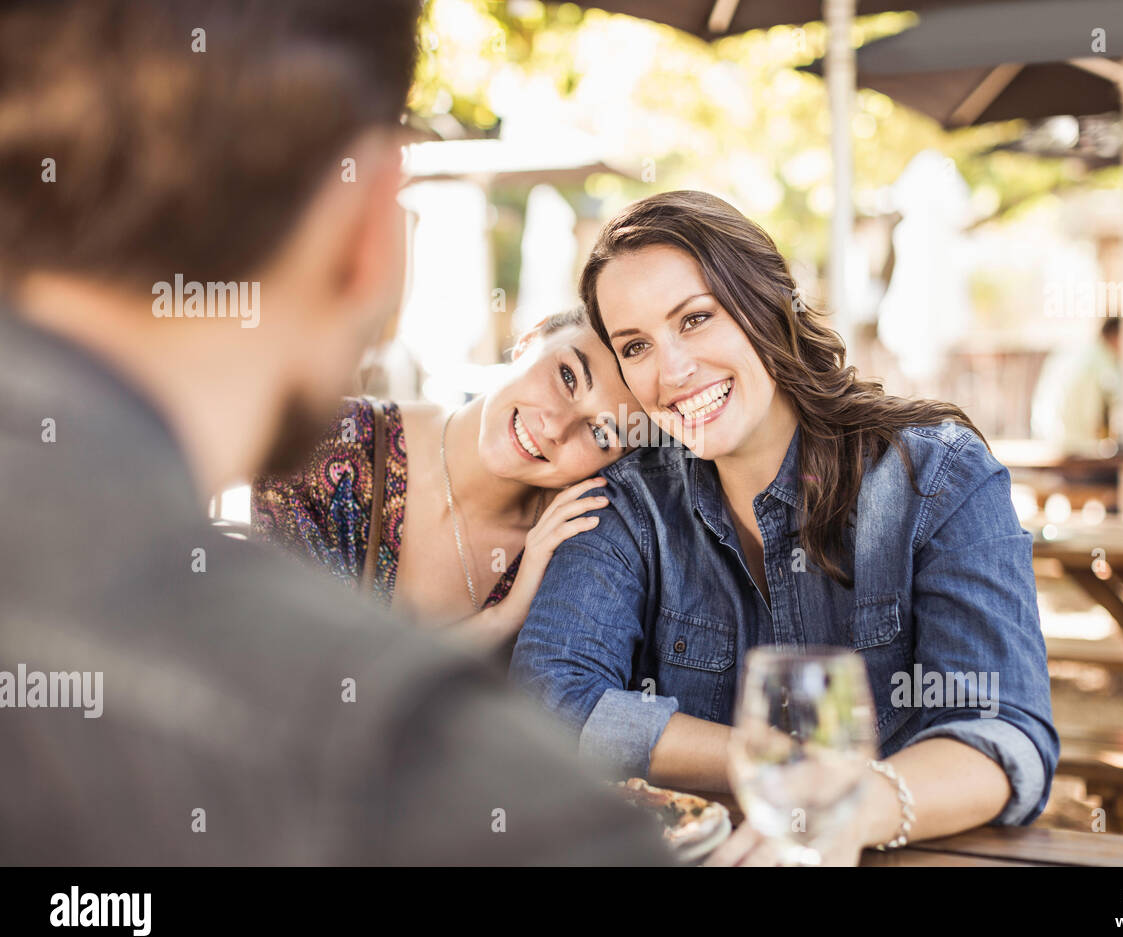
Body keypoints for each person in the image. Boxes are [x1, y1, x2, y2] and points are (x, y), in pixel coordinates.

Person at [0, 0, 671, 865]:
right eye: (570, 376)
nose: (565, 424)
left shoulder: (588, 529)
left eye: (605, 430)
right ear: (372, 224)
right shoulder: (509, 817)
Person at [510, 191, 1059, 853]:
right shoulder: (631, 502)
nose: (672, 372)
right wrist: (776, 766)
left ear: (767, 302)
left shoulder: (936, 477)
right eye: (635, 346)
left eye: (695, 319)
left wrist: (848, 813)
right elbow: (548, 701)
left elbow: (1003, 732)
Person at [253, 305, 639, 649]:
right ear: (530, 339)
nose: (556, 427)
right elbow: (291, 675)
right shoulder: (318, 444)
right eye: (568, 376)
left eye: (602, 433)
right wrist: (501, 619)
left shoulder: (577, 544)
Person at [1030, 317, 1121, 455]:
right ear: (1116, 336)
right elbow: (1118, 398)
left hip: (1046, 437)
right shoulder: (1103, 358)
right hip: (1078, 445)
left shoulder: (1075, 351)